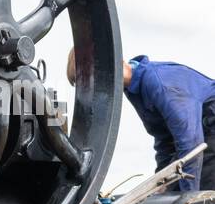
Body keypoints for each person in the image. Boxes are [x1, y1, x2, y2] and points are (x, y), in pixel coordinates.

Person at [69, 51, 215, 192]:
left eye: (87, 81)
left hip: (207, 134)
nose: (90, 90)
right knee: (171, 193)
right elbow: (165, 141)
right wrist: (161, 187)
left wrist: (187, 200)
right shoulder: (135, 91)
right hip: (201, 137)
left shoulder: (159, 83)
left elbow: (191, 143)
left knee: (196, 190)